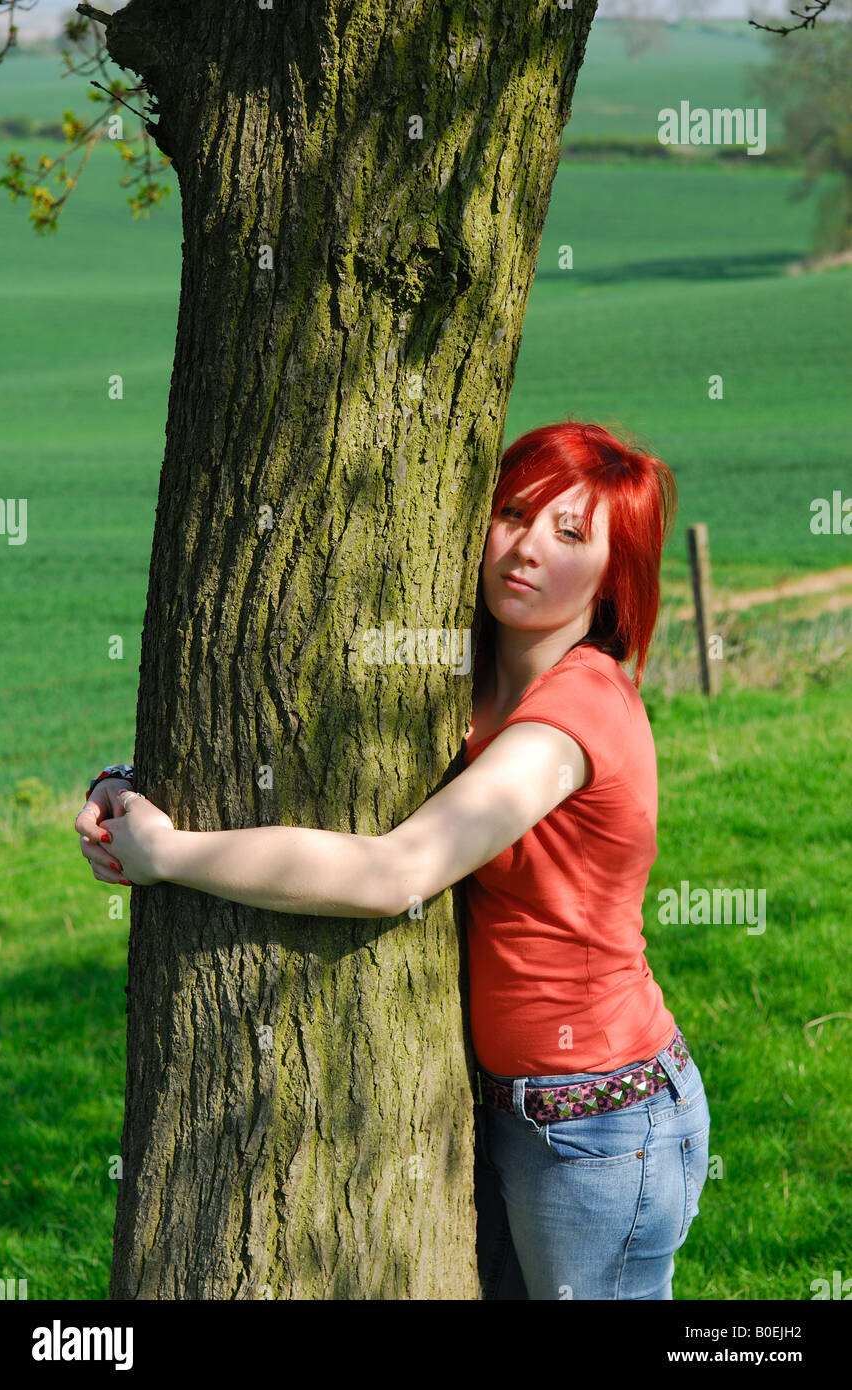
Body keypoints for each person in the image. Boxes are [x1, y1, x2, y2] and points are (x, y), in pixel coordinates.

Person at [75, 419, 710, 1300]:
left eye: (570, 534)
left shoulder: (581, 710)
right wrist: (131, 782)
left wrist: (173, 854)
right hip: (516, 1114)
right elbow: (316, 773)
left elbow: (392, 872)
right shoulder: (471, 669)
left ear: (614, 579)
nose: (525, 548)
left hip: (601, 1123)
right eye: (514, 513)